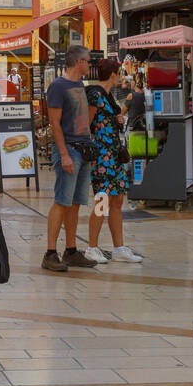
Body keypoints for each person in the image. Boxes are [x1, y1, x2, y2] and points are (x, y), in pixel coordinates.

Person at [84, 58, 143, 264]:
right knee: (102, 199)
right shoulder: (95, 95)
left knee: (117, 199)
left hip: (114, 154)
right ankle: (91, 247)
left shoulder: (107, 96)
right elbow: (87, 123)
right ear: (112, 74)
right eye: (118, 73)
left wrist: (116, 120)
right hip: (102, 155)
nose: (120, 77)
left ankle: (118, 247)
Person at [43, 45, 97, 272]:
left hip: (83, 150)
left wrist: (90, 148)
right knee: (62, 200)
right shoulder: (58, 87)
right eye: (87, 61)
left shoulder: (78, 85)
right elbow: (54, 123)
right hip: (70, 150)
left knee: (75, 202)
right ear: (78, 62)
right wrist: (64, 154)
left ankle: (71, 249)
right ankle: (50, 252)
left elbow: (84, 120)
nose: (89, 64)